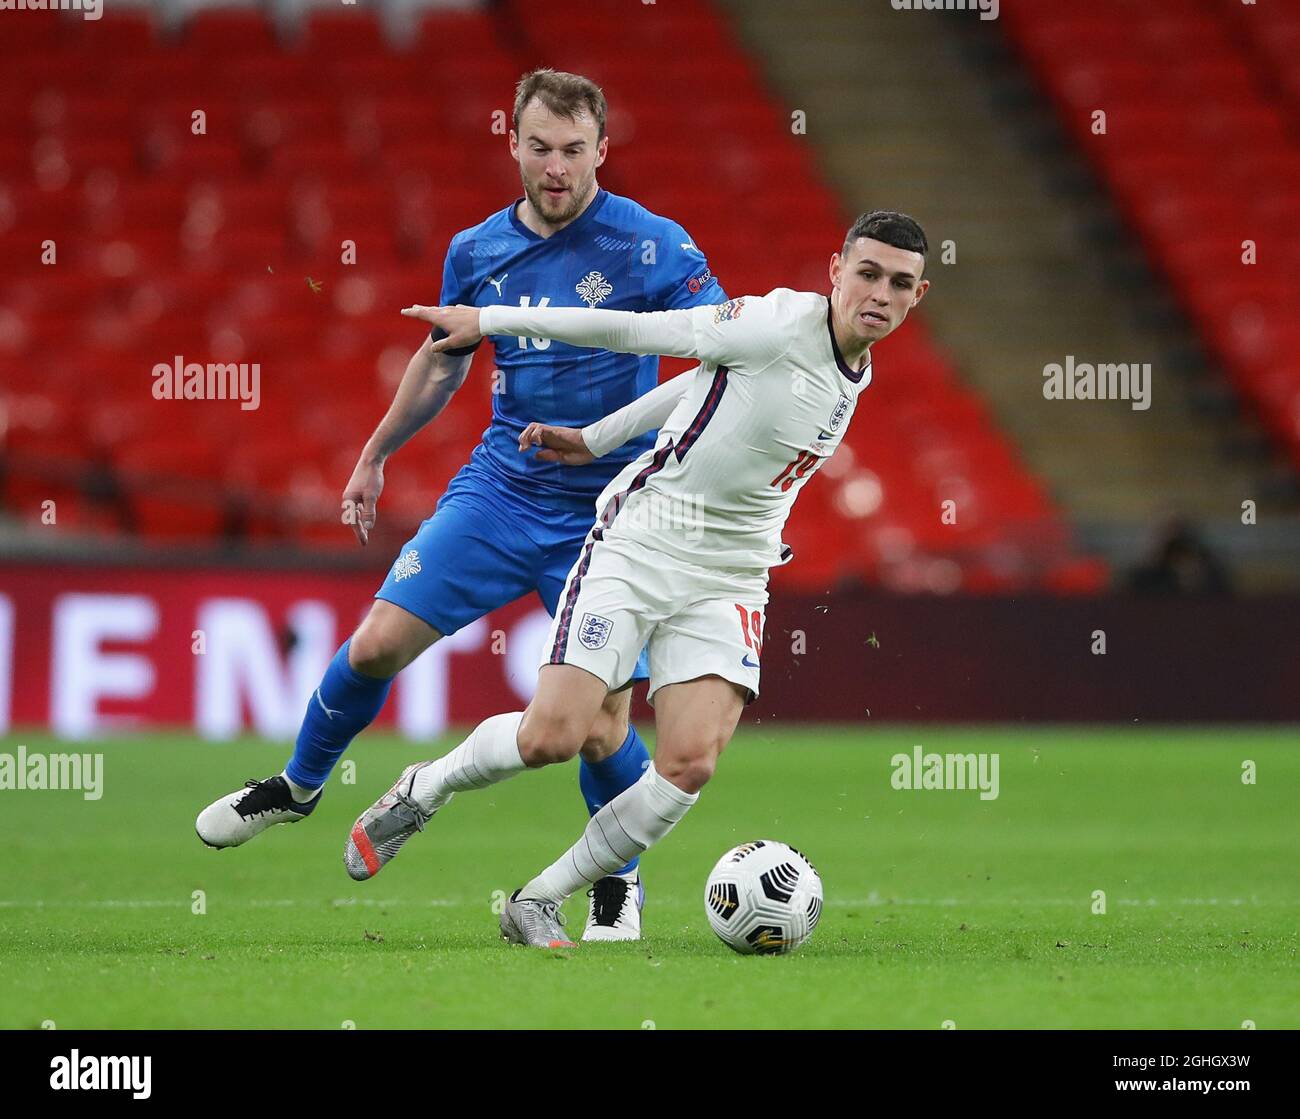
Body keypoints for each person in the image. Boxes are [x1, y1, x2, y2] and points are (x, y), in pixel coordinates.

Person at [195, 69, 726, 943]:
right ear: (512, 142)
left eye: (573, 149)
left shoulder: (653, 246)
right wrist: (374, 454)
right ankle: (296, 786)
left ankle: (614, 879)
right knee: (373, 644)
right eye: (539, 147)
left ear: (603, 149)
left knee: (600, 727)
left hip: (608, 509)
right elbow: (444, 362)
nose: (556, 167)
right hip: (502, 487)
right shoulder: (477, 250)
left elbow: (719, 350)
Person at [353, 210, 930, 947]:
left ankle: (538, 897)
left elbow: (704, 383)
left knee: (689, 761)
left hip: (729, 574)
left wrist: (596, 437)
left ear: (919, 295)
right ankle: (424, 786)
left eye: (899, 283)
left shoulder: (858, 365)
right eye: (868, 273)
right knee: (553, 738)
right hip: (642, 542)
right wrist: (489, 316)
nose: (879, 293)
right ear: (835, 271)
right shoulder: (772, 323)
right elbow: (637, 332)